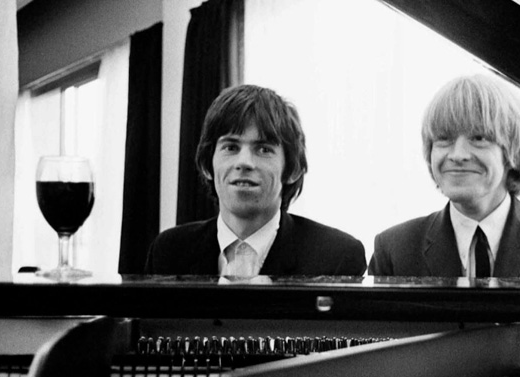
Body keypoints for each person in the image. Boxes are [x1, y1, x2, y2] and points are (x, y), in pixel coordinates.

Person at [368, 74, 520, 279]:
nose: (458, 155)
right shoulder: (393, 250)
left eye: (479, 138)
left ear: (512, 151)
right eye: (444, 139)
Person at [145, 85, 366, 277]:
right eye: (231, 147)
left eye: (263, 149)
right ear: (207, 165)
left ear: (293, 169)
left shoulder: (338, 257)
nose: (244, 163)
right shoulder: (168, 252)